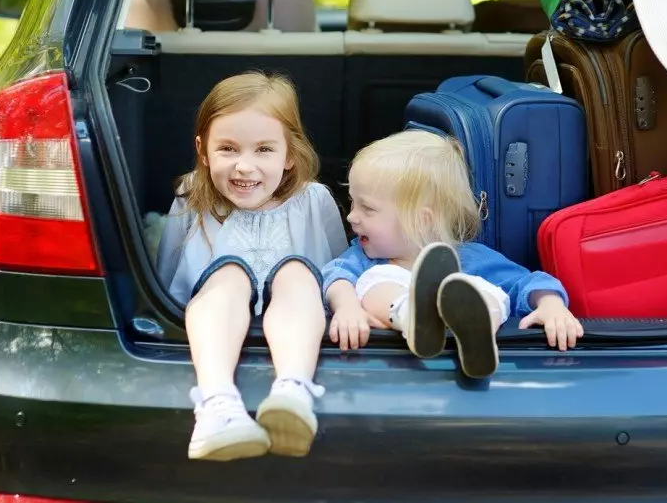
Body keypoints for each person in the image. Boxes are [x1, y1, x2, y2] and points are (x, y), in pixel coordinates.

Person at [156, 71, 348, 462]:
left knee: (297, 272)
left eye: (263, 150)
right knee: (230, 275)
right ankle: (216, 405)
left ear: (289, 154)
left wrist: (349, 306)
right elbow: (166, 277)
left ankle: (292, 392)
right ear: (204, 151)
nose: (245, 166)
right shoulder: (191, 197)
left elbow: (337, 272)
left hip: (300, 322)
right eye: (228, 149)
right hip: (212, 322)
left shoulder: (314, 201)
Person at [322, 131, 584, 378]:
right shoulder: (364, 257)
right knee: (378, 279)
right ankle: (414, 315)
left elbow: (527, 282)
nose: (351, 216)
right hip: (408, 333)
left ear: (422, 220)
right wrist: (347, 308)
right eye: (352, 201)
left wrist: (551, 306)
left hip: (451, 336)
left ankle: (476, 337)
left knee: (488, 292)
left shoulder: (471, 258)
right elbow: (336, 276)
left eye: (366, 208)